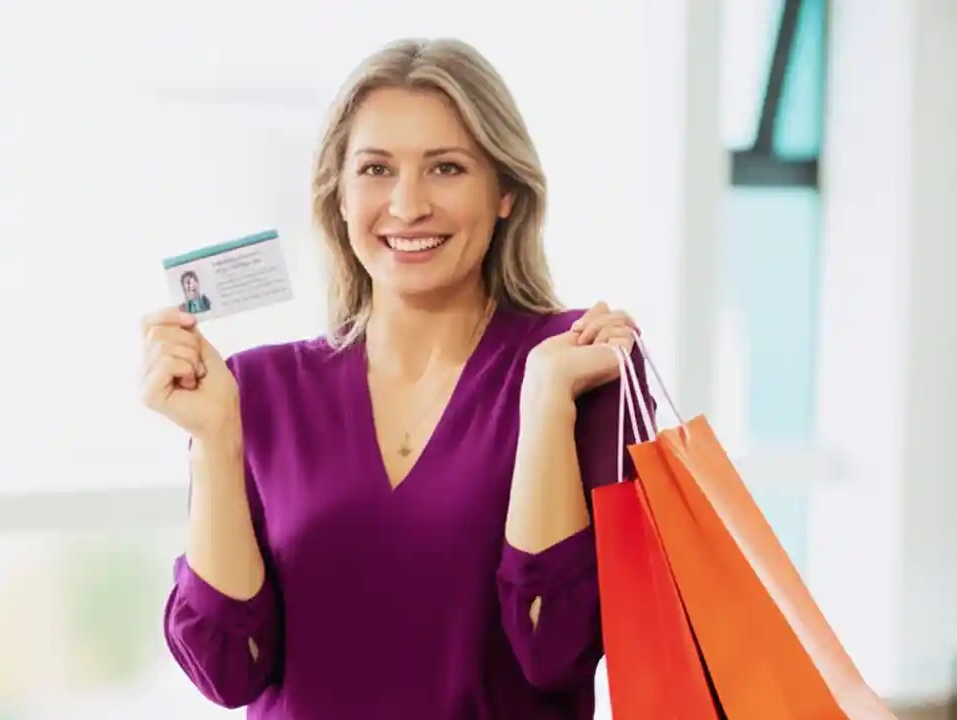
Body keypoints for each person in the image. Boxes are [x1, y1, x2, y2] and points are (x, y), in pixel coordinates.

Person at [140, 37, 646, 719]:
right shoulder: (251, 392)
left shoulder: (579, 365)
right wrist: (216, 441)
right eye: (376, 169)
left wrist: (545, 401)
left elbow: (555, 648)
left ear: (504, 192)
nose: (407, 207)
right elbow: (231, 670)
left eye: (445, 168)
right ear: (340, 197)